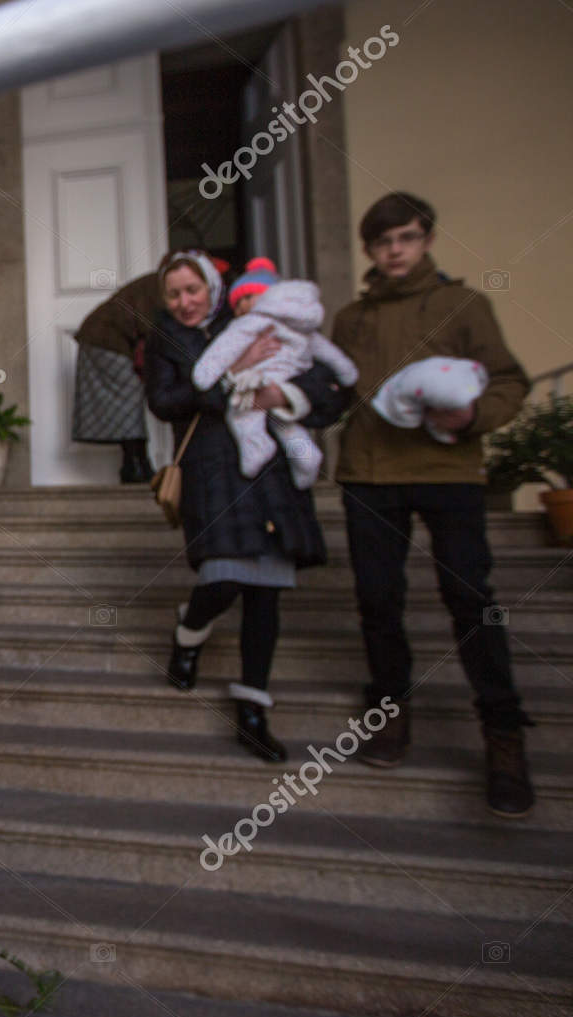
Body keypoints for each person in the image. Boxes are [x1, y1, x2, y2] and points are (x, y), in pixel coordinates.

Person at [331, 192, 534, 817]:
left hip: (448, 470)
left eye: (408, 238)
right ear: (368, 248)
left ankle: (503, 734)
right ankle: (390, 712)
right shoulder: (349, 319)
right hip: (369, 473)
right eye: (384, 241)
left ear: (426, 240)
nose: (396, 251)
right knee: (377, 598)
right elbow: (333, 392)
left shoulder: (463, 305)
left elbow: (509, 380)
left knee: (469, 596)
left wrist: (474, 414)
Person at [145, 251, 350, 762]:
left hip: (272, 469)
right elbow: (164, 401)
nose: (184, 302)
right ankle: (189, 630)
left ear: (214, 287)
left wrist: (278, 392)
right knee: (224, 578)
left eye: (192, 289)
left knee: (267, 594)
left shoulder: (264, 316)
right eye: (173, 294)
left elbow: (330, 392)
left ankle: (253, 712)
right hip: (211, 470)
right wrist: (235, 372)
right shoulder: (165, 337)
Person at [192, 256, 360, 490]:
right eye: (237, 303)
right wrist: (348, 372)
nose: (241, 307)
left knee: (241, 415)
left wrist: (205, 374)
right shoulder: (302, 330)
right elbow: (330, 354)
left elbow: (221, 351)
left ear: (269, 296)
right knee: (290, 430)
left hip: (257, 386)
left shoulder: (251, 324)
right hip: (282, 389)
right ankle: (308, 460)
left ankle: (257, 446)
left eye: (247, 297)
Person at [72, 271, 166, 482]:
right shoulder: (157, 285)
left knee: (128, 403)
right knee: (128, 401)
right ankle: (135, 465)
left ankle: (135, 464)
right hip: (106, 340)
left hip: (109, 340)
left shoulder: (161, 283)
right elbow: (148, 325)